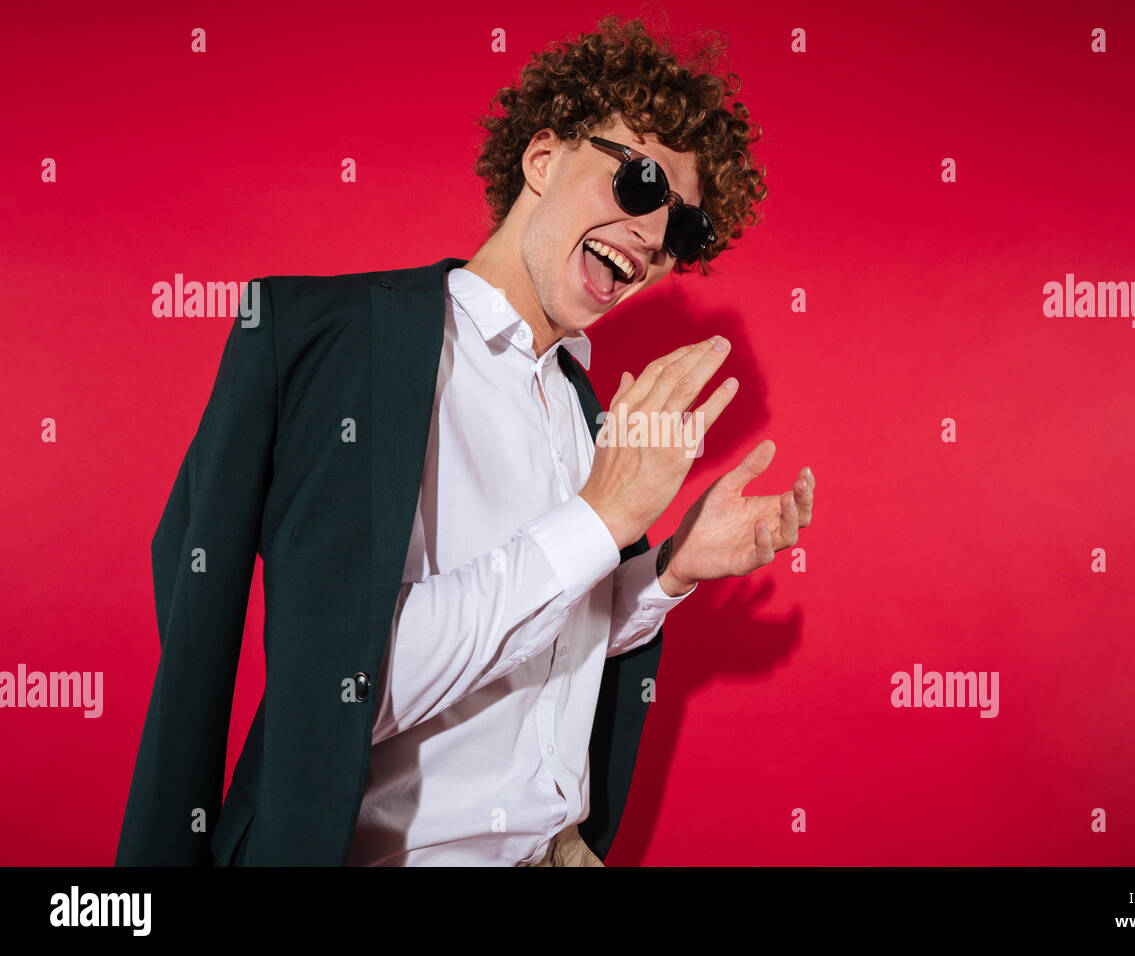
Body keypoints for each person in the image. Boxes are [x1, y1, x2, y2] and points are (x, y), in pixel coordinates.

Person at [115, 13, 813, 868]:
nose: (657, 235)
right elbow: (344, 687)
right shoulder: (338, 344)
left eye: (687, 231)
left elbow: (551, 629)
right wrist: (596, 520)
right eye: (639, 181)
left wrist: (663, 575)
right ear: (542, 159)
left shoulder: (585, 411)